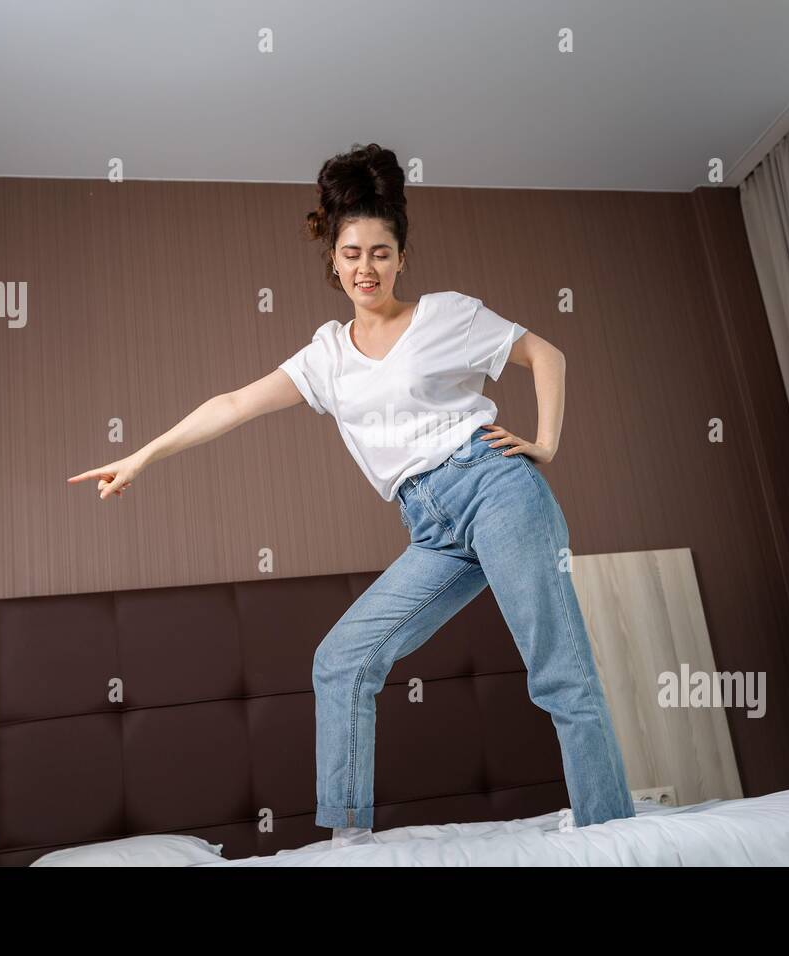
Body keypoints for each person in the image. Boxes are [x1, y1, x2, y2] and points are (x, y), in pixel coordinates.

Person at [68, 142, 635, 850]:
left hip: (495, 492)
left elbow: (544, 354)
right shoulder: (326, 358)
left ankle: (610, 831)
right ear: (332, 262)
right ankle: (349, 844)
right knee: (341, 661)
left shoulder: (445, 316)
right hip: (430, 527)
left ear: (400, 258)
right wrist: (144, 454)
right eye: (352, 253)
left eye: (381, 252)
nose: (366, 266)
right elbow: (234, 403)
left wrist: (545, 444)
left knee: (557, 668)